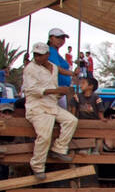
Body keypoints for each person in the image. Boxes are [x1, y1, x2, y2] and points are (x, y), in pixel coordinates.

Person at [21, 42, 78, 180]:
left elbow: (54, 86)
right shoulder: (30, 69)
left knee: (71, 120)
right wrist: (57, 91)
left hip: (51, 104)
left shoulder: (52, 67)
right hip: (37, 106)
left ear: (47, 55)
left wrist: (61, 92)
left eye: (40, 55)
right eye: (36, 55)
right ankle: (37, 166)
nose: (37, 57)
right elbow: (31, 90)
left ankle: (58, 148)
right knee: (44, 136)